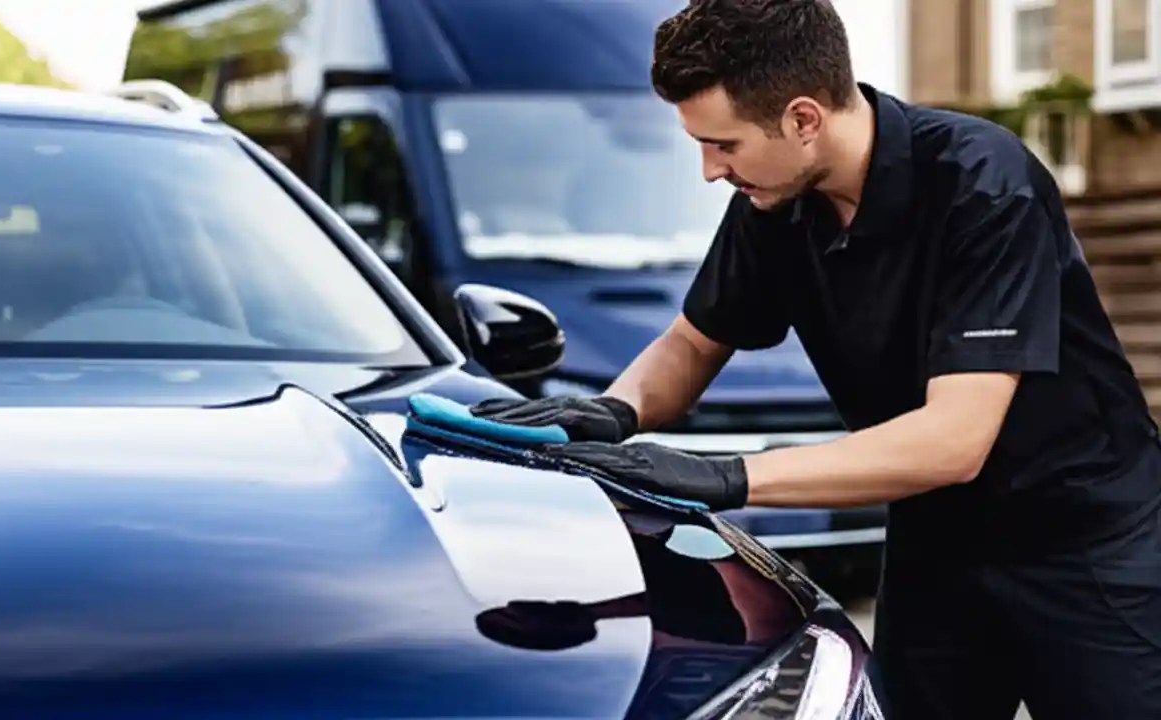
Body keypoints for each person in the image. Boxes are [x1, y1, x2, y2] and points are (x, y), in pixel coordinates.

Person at [467, 1, 1161, 717]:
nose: (710, 171)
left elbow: (955, 441)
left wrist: (721, 477)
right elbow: (692, 342)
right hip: (936, 547)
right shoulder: (773, 202)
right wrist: (615, 410)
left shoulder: (983, 183)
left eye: (724, 145)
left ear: (803, 119)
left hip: (1086, 546)